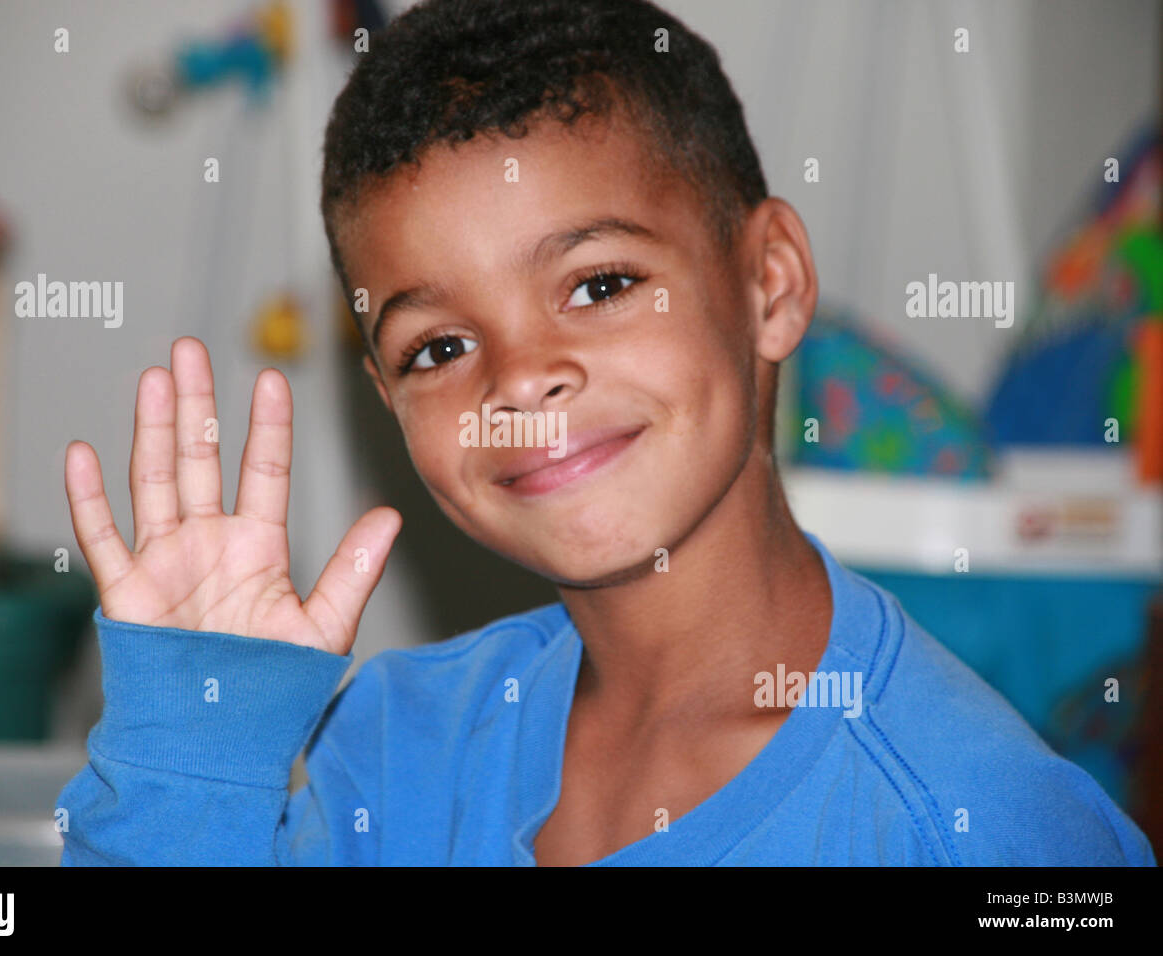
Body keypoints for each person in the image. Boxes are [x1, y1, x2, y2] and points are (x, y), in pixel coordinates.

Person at [56, 0, 1156, 866]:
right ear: (388, 400)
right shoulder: (392, 756)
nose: (523, 375)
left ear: (769, 282)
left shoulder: (970, 823)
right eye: (438, 347)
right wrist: (190, 750)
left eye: (600, 282)